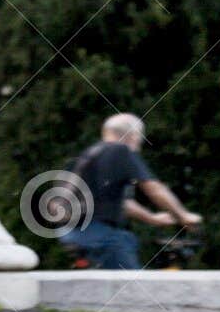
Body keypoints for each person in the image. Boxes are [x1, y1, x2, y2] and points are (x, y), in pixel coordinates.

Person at [62, 113, 202, 270]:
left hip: (72, 234)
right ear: (134, 136)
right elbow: (155, 190)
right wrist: (183, 216)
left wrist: (152, 219)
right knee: (133, 278)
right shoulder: (121, 151)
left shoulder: (88, 155)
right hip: (100, 235)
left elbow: (125, 204)